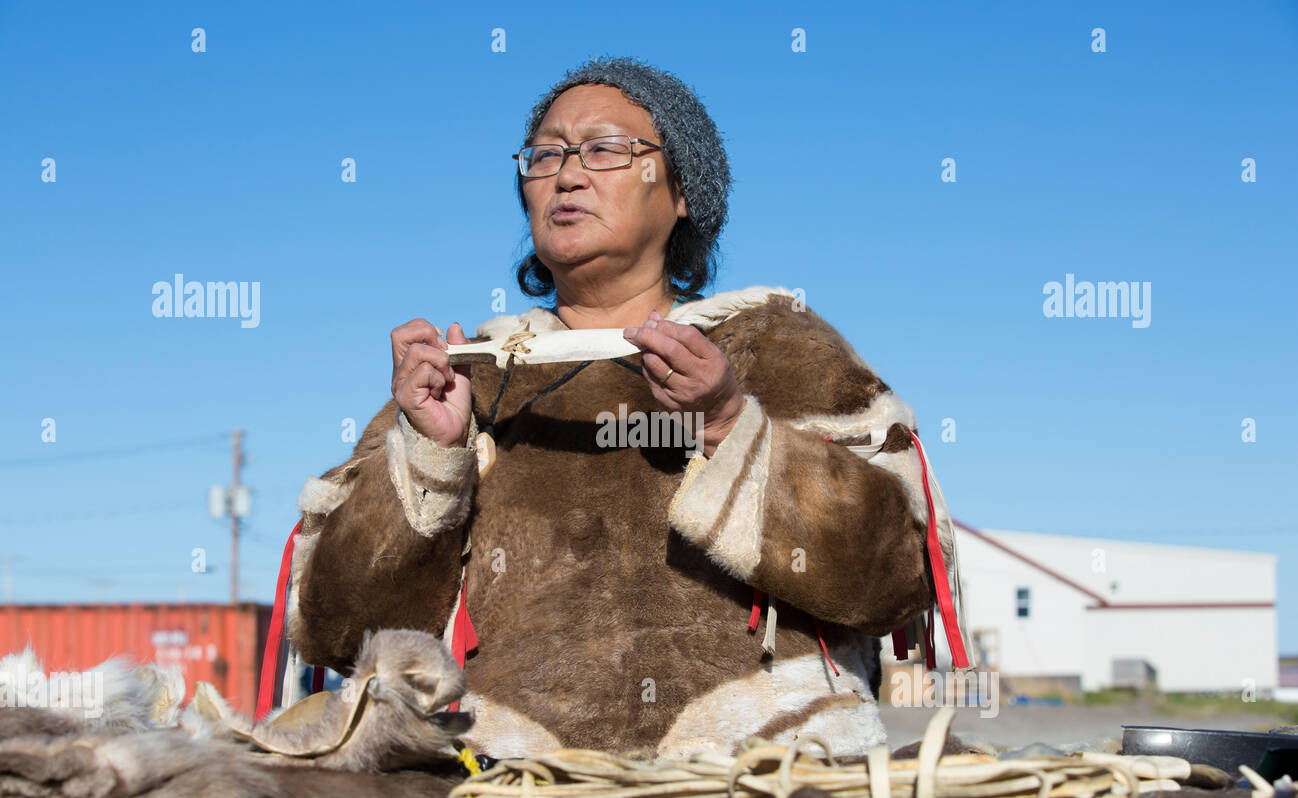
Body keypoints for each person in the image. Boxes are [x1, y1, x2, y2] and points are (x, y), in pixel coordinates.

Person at [285, 55, 966, 760]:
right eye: (545, 154)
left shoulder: (779, 350)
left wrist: (731, 422)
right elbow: (341, 633)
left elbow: (896, 581)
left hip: (762, 782)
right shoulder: (467, 382)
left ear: (681, 194)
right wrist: (433, 457)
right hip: (507, 787)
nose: (567, 174)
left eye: (607, 149)